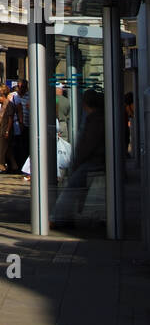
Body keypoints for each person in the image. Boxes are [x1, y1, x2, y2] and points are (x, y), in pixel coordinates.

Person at [52, 90, 106, 226]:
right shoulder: (99, 117)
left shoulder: (94, 119)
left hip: (92, 160)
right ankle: (68, 215)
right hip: (96, 160)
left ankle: (61, 218)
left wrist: (77, 161)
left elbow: (88, 143)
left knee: (72, 188)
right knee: (78, 188)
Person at [0, 85, 20, 173]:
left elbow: (10, 118)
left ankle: (1, 165)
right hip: (2, 129)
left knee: (2, 149)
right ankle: (14, 166)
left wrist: (8, 130)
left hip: (5, 129)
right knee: (8, 150)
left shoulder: (9, 105)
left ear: (2, 95)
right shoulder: (3, 105)